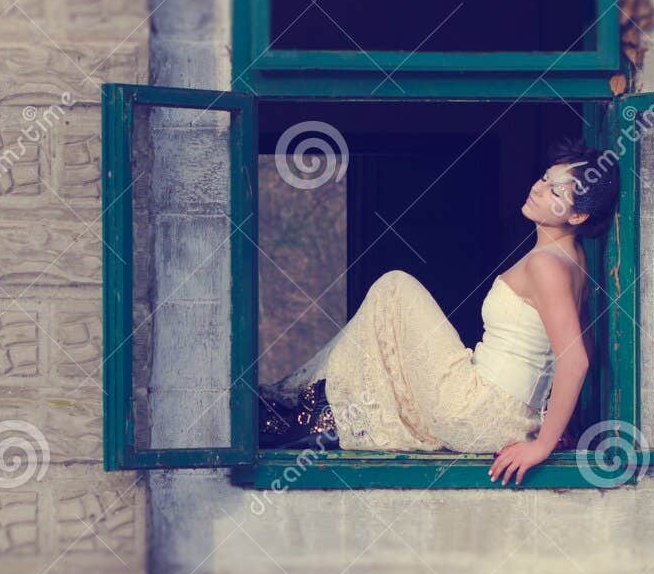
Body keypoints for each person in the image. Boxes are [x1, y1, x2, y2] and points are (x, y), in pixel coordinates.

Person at [259, 137, 620, 486]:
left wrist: (542, 445)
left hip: (482, 410)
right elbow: (584, 348)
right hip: (507, 417)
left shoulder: (547, 265)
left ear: (578, 216)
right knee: (393, 314)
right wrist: (546, 419)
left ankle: (297, 405)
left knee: (395, 288)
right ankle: (309, 409)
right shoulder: (574, 263)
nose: (539, 189)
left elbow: (576, 361)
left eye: (556, 192)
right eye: (545, 178)